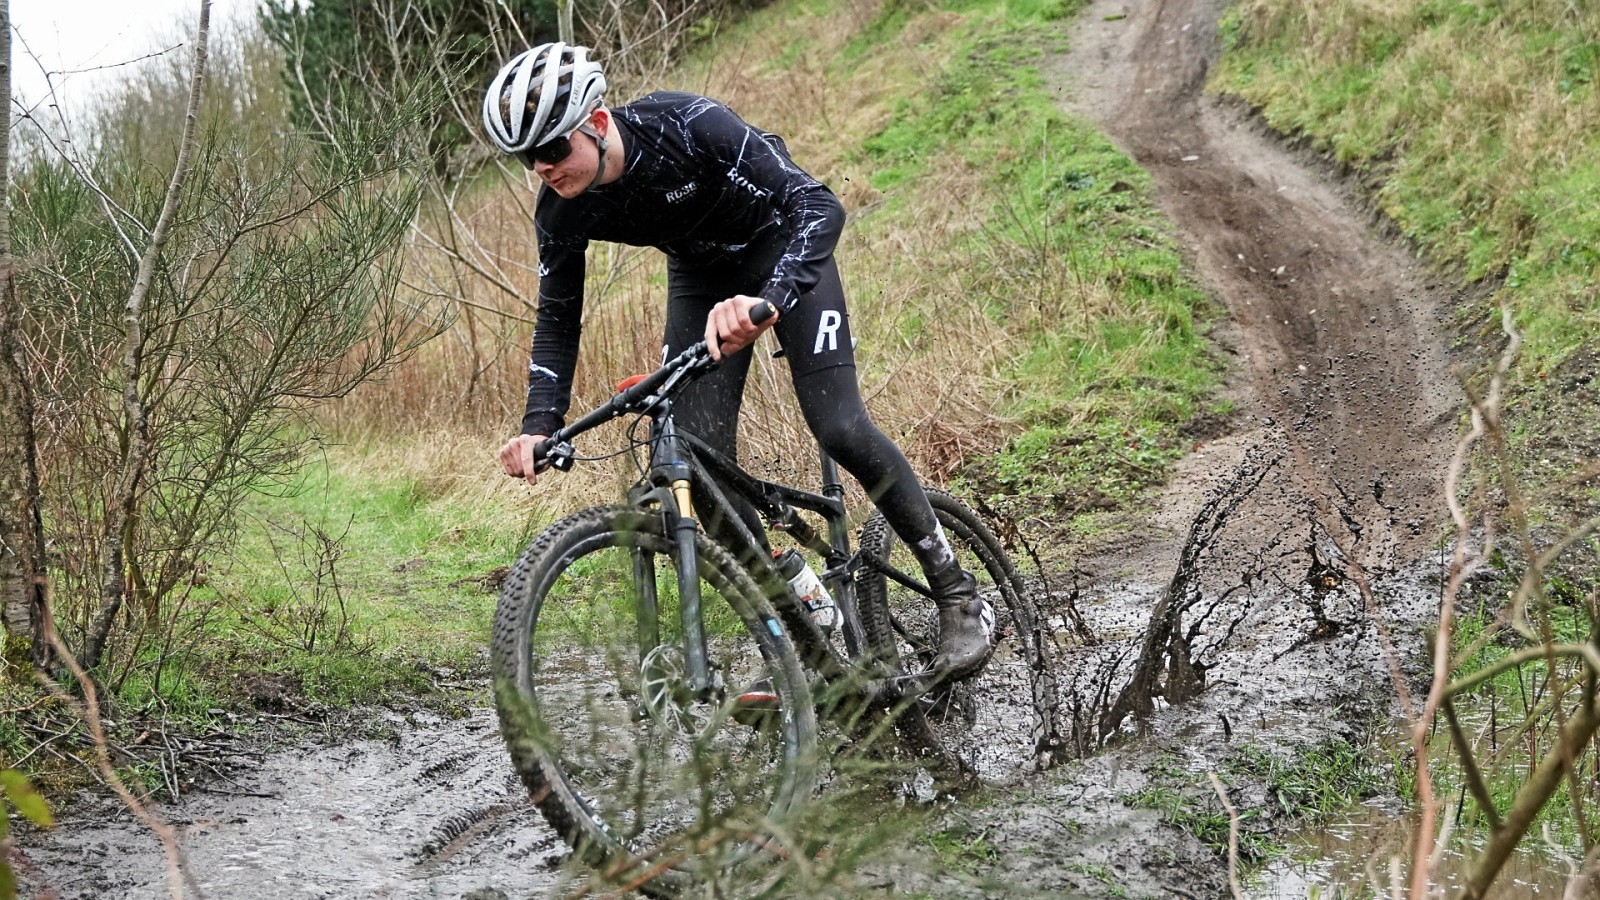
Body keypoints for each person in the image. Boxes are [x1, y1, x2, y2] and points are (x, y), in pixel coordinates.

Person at [483, 41, 992, 678]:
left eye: (554, 147)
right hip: (700, 276)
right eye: (527, 157)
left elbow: (818, 205)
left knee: (839, 427)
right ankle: (797, 614)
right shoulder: (561, 208)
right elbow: (557, 317)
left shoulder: (690, 124)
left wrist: (769, 299)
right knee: (695, 474)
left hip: (781, 249)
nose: (543, 167)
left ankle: (954, 589)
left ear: (599, 122)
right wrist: (539, 423)